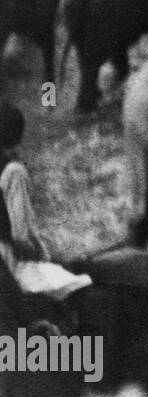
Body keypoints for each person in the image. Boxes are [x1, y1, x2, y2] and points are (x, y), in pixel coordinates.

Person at [0, 103, 92, 300]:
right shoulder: (14, 172)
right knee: (77, 285)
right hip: (8, 263)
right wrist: (44, 256)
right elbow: (20, 236)